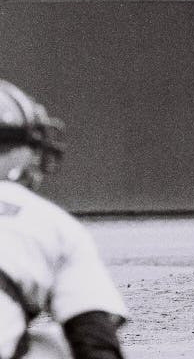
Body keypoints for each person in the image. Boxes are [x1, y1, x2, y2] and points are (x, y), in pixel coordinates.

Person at [0, 80, 129, 358]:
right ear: (19, 150)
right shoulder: (48, 222)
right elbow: (95, 338)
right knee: (56, 347)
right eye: (31, 146)